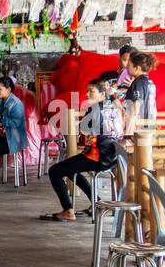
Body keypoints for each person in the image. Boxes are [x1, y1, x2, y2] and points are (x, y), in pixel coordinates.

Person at [41, 77, 123, 222]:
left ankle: (68, 210)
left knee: (55, 171)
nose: (87, 95)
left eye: (91, 91)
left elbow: (83, 131)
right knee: (72, 170)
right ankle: (96, 203)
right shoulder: (115, 108)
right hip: (113, 157)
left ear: (102, 94)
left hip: (96, 156)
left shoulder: (94, 108)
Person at [123, 50, 158, 136]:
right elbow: (154, 106)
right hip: (148, 125)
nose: (127, 67)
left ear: (137, 68)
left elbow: (136, 105)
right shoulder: (150, 82)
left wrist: (129, 130)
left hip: (138, 128)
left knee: (130, 148)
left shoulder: (138, 82)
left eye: (129, 65)